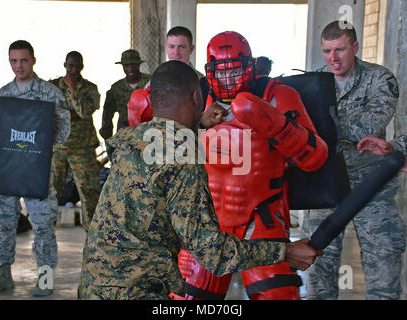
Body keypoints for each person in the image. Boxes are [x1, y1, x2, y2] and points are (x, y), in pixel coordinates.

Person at [77, 60, 323, 300]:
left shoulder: (131, 139)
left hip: (94, 284)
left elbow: (165, 143)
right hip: (136, 290)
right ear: (197, 97)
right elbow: (210, 252)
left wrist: (199, 125)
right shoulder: (185, 160)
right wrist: (286, 251)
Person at [173, 31, 329, 300]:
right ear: (210, 72)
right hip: (208, 220)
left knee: (276, 297)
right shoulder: (197, 97)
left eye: (234, 71)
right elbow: (166, 148)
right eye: (220, 72)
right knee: (187, 299)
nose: (227, 79)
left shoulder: (278, 95)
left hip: (263, 216)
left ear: (249, 67)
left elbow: (316, 158)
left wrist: (277, 125)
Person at [301, 20, 405, 300]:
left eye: (340, 50)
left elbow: (369, 125)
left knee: (383, 265)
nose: (333, 58)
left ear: (355, 47)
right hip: (326, 184)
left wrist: (320, 130)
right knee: (317, 266)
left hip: (372, 185)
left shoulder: (380, 79)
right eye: (327, 51)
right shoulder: (313, 83)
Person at [0, 40, 70, 297]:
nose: (19, 66)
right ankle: (4, 273)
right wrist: (2, 136)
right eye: (14, 61)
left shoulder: (50, 93)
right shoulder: (2, 95)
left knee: (43, 223)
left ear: (33, 60)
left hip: (37, 170)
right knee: (3, 222)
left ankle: (45, 277)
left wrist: (43, 139)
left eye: (23, 60)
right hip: (7, 169)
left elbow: (64, 128)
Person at [50, 51, 101, 232]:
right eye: (70, 66)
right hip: (57, 146)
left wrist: (73, 89)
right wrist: (71, 115)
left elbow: (85, 112)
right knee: (50, 191)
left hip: (83, 147)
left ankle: (92, 234)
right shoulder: (52, 86)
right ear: (64, 65)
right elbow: (48, 112)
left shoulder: (90, 88)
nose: (73, 70)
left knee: (88, 191)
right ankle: (45, 231)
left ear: (82, 67)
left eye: (77, 66)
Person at [99, 49, 151, 159]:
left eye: (133, 65)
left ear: (139, 65)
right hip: (125, 136)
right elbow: (107, 115)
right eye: (126, 65)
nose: (130, 69)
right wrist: (109, 139)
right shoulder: (116, 88)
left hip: (149, 134)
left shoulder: (150, 82)